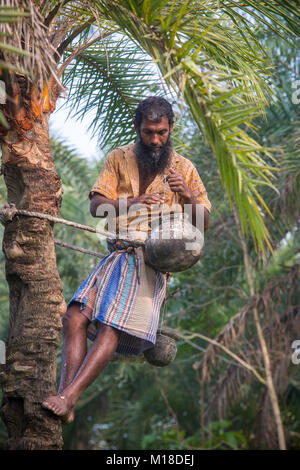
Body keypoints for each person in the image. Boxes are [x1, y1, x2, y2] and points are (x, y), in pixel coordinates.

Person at [42, 96, 211, 424]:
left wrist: (188, 195)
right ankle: (66, 397)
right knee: (74, 318)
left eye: (161, 132)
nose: (155, 139)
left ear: (171, 128)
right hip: (117, 254)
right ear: (138, 128)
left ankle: (68, 397)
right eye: (149, 132)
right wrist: (132, 202)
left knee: (112, 326)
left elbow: (202, 223)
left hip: (151, 264)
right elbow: (96, 208)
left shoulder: (185, 169)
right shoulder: (118, 158)